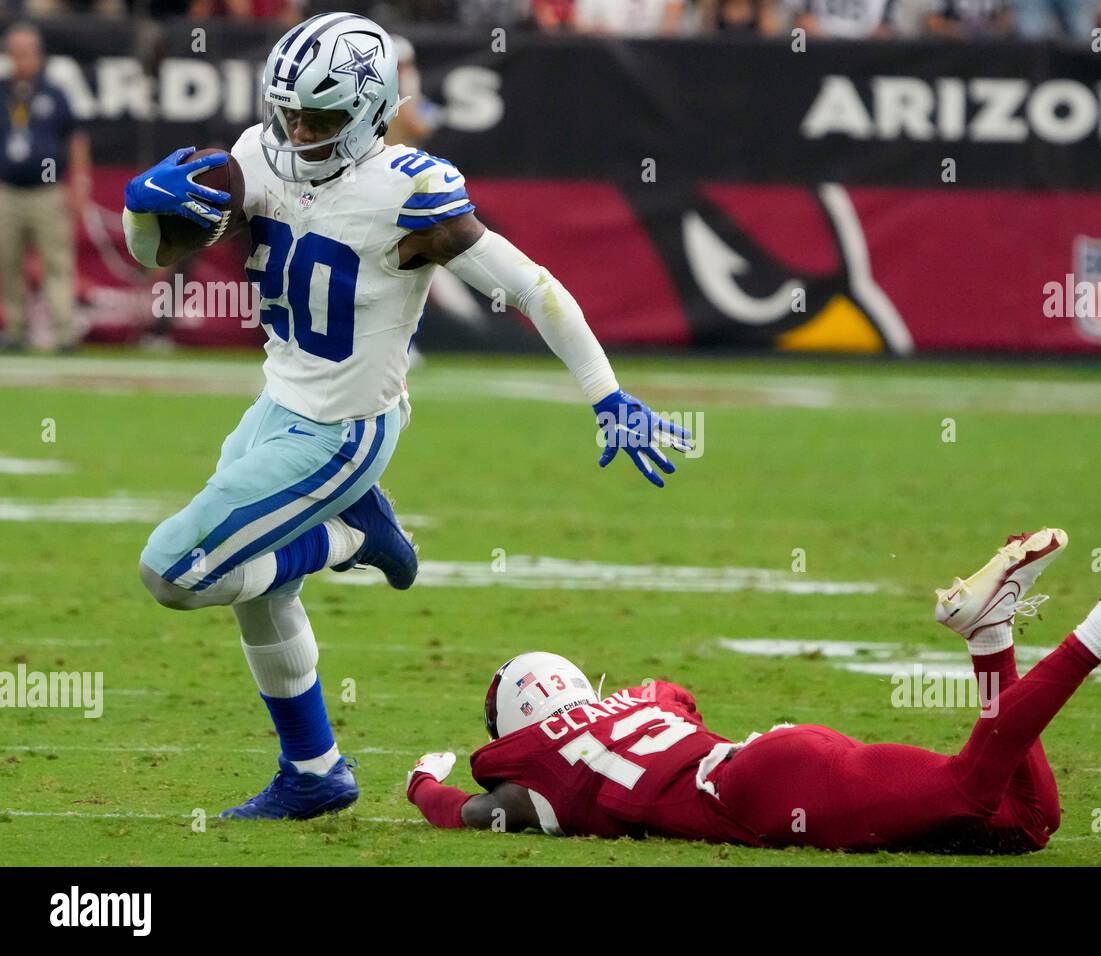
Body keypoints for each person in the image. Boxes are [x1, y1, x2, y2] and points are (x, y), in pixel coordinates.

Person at [121, 12, 693, 820]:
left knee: (173, 572)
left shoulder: (411, 192)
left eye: (321, 119)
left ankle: (355, 536)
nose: (299, 132)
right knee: (256, 594)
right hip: (275, 404)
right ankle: (315, 771)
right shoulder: (256, 154)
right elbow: (157, 255)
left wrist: (608, 394)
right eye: (290, 113)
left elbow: (532, 287)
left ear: (371, 113)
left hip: (343, 434)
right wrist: (144, 209)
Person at [407, 529, 1101, 852]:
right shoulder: (643, 698)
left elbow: (474, 813)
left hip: (763, 791)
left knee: (965, 783)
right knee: (1026, 822)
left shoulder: (540, 765)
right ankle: (990, 635)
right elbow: (681, 704)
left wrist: (424, 784)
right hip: (773, 760)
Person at [0, 22, 92, 351]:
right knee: (8, 263)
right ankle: (15, 330)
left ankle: (65, 332)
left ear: (38, 56)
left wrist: (80, 182)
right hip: (7, 190)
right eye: (16, 53)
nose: (22, 60)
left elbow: (76, 138)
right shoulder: (2, 92)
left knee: (57, 262)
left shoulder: (55, 93)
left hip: (47, 190)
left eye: (28, 53)